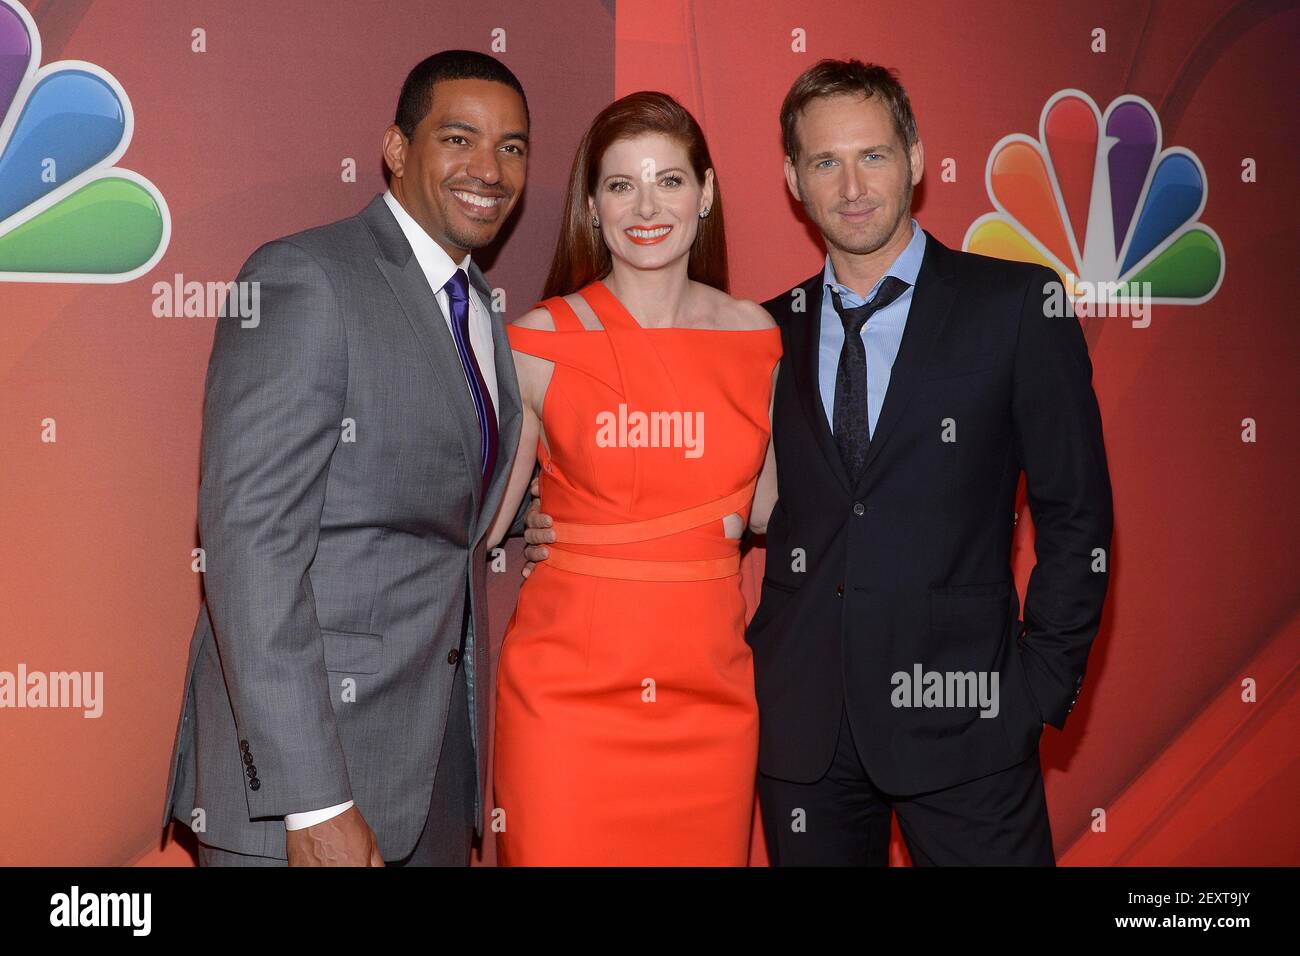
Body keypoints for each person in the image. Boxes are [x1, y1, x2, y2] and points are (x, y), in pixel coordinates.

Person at [525, 60, 1113, 865]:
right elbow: (705, 485)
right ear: (792, 181)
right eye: (823, 162)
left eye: (872, 155)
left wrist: (1040, 688)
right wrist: (562, 522)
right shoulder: (763, 335)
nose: (852, 186)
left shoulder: (1014, 306)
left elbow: (1078, 514)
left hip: (968, 719)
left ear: (916, 158)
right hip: (802, 734)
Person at [161, 50, 532, 866]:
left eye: (512, 147)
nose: (489, 168)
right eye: (460, 138)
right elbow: (250, 550)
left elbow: (437, 517)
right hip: (305, 793)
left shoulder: (476, 312)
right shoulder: (306, 278)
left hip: (430, 771)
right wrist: (314, 801)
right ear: (397, 150)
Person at [484, 91, 782, 865]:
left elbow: (769, 512)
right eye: (621, 185)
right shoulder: (537, 340)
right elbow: (478, 521)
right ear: (592, 205)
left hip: (711, 705)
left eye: (670, 182)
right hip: (566, 708)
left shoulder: (758, 337)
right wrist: (540, 518)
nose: (647, 207)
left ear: (706, 194)